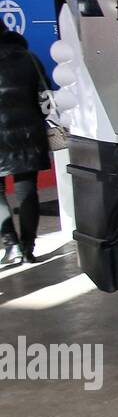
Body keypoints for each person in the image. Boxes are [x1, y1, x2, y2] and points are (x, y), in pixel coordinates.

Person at [0, 26, 50, 265]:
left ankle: (11, 246)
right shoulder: (29, 58)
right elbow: (45, 95)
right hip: (29, 136)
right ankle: (28, 246)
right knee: (27, 190)